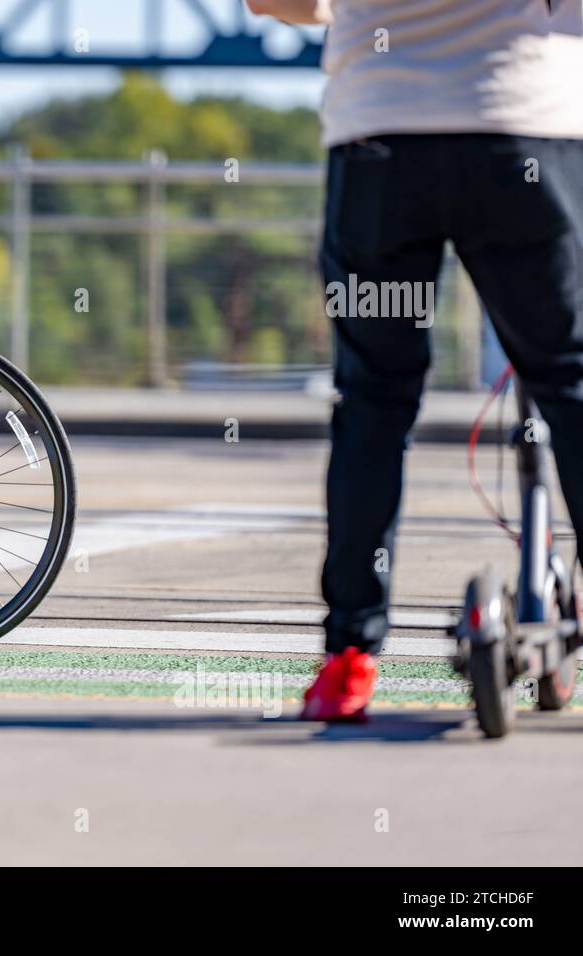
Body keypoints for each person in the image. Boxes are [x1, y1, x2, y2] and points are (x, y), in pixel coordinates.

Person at [245, 0, 583, 719]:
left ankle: (349, 660)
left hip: (381, 142)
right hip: (520, 134)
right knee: (568, 380)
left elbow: (271, 1)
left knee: (373, 400)